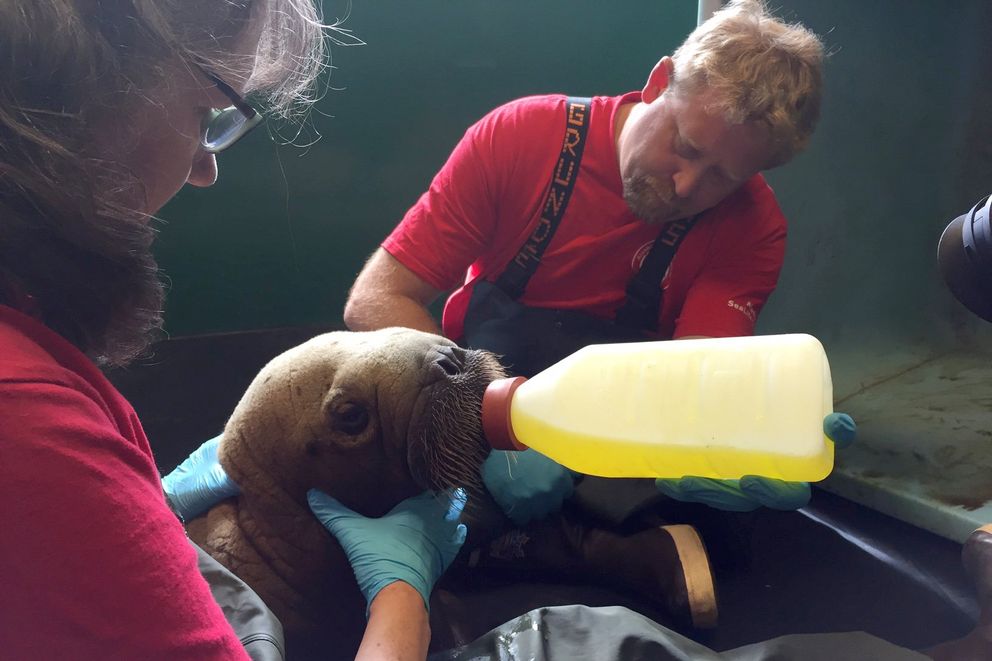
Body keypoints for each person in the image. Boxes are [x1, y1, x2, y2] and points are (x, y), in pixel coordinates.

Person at [0, 1, 462, 658]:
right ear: (95, 73)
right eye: (206, 115)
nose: (204, 166)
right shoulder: (29, 424)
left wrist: (131, 501)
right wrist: (401, 597)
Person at [341, 0, 849, 528]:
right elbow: (376, 299)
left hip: (620, 451)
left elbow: (699, 393)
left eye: (723, 177)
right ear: (659, 82)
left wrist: (754, 442)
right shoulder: (521, 138)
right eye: (687, 147)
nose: (686, 186)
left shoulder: (754, 228)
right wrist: (481, 421)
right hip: (475, 414)